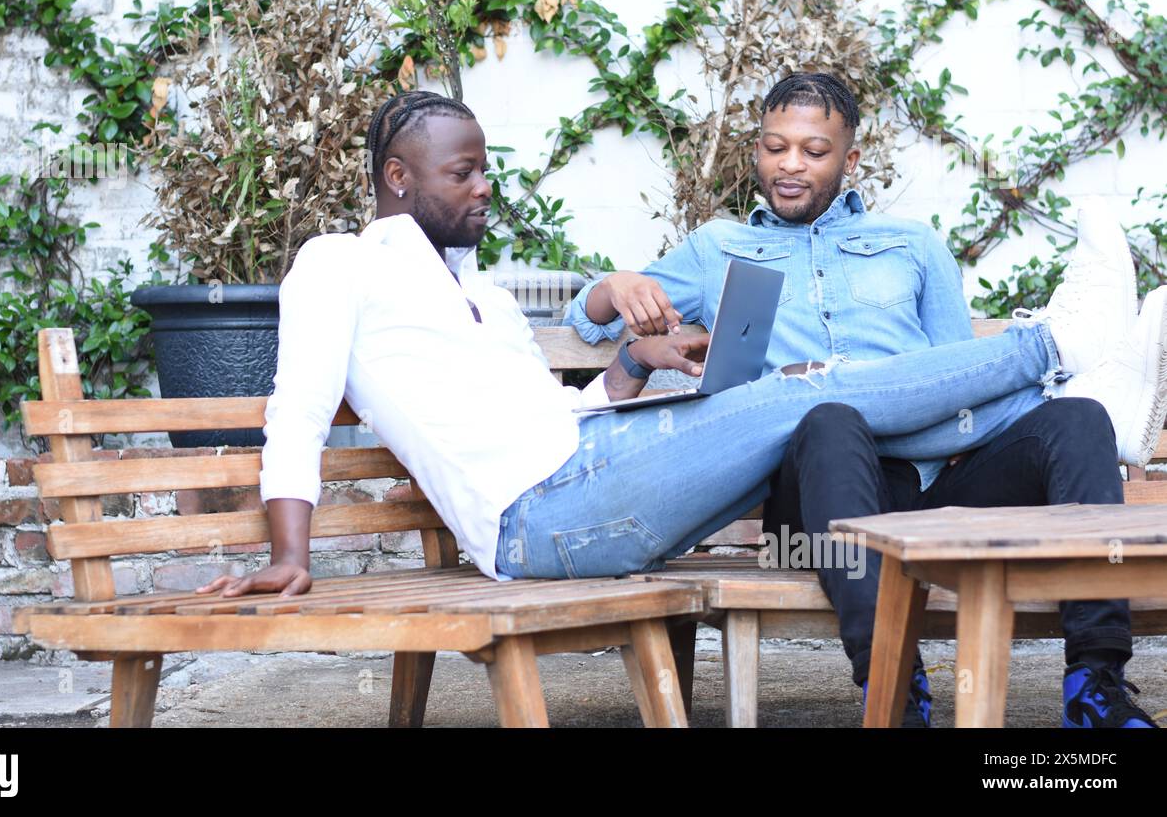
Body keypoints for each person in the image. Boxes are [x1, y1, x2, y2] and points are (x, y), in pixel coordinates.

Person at [195, 90, 1166, 699]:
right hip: (541, 519)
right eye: (464, 171)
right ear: (397, 179)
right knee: (805, 394)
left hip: (588, 467)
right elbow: (297, 402)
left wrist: (636, 368)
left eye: (486, 166)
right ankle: (1059, 345)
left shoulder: (479, 292)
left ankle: (1078, 390)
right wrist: (288, 550)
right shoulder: (337, 263)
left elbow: (560, 412)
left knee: (799, 392)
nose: (485, 186)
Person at [566, 72, 1163, 727]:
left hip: (935, 498)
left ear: (849, 160)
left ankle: (1097, 686)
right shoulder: (719, 249)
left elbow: (959, 381)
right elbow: (590, 319)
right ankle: (894, 694)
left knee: (1079, 420)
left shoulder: (913, 245)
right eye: (774, 147)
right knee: (827, 415)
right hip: (815, 513)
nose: (789, 165)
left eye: (813, 151)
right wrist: (617, 285)